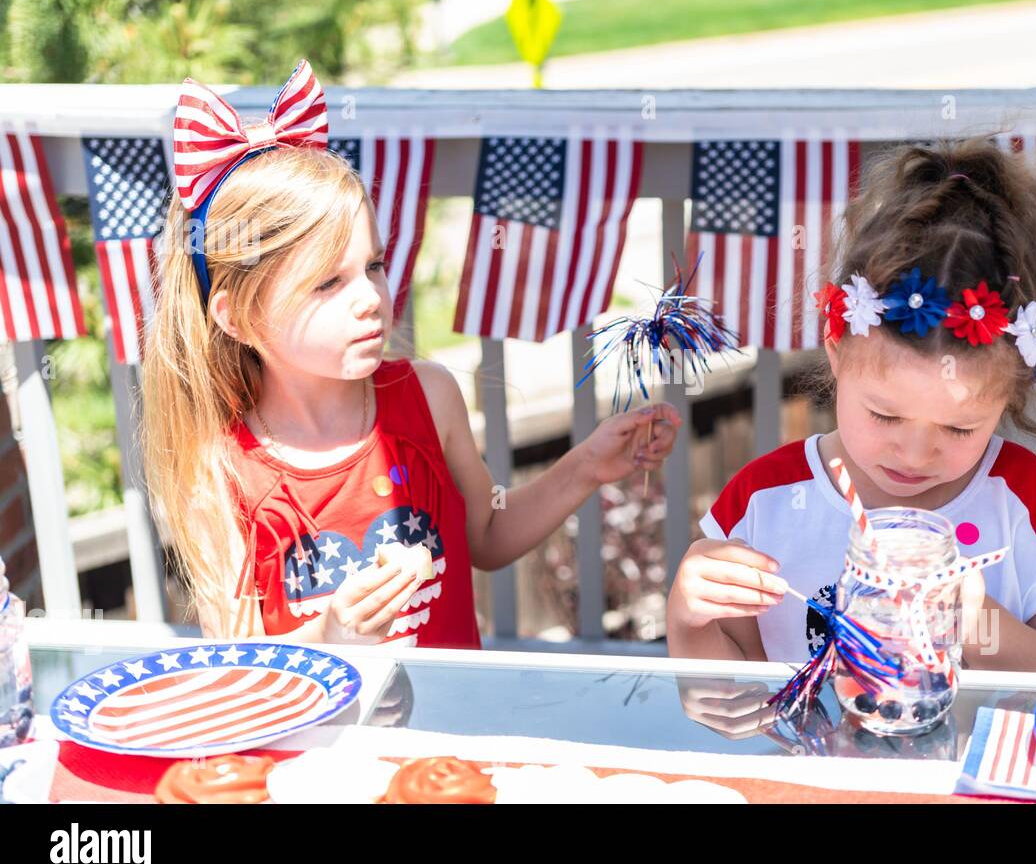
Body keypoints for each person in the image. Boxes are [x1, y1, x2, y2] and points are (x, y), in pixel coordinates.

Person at [141, 60, 681, 646]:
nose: (370, 298)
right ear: (238, 317)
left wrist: (587, 467)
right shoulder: (220, 470)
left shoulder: (430, 396)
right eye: (328, 284)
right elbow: (240, 667)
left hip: (451, 729)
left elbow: (487, 536)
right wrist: (329, 632)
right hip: (327, 739)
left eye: (373, 266)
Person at [667, 137, 1036, 675]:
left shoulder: (1017, 497)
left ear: (1009, 395)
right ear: (836, 351)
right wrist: (689, 621)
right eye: (885, 416)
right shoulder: (765, 504)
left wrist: (975, 623)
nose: (916, 452)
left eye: (959, 428)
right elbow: (728, 704)